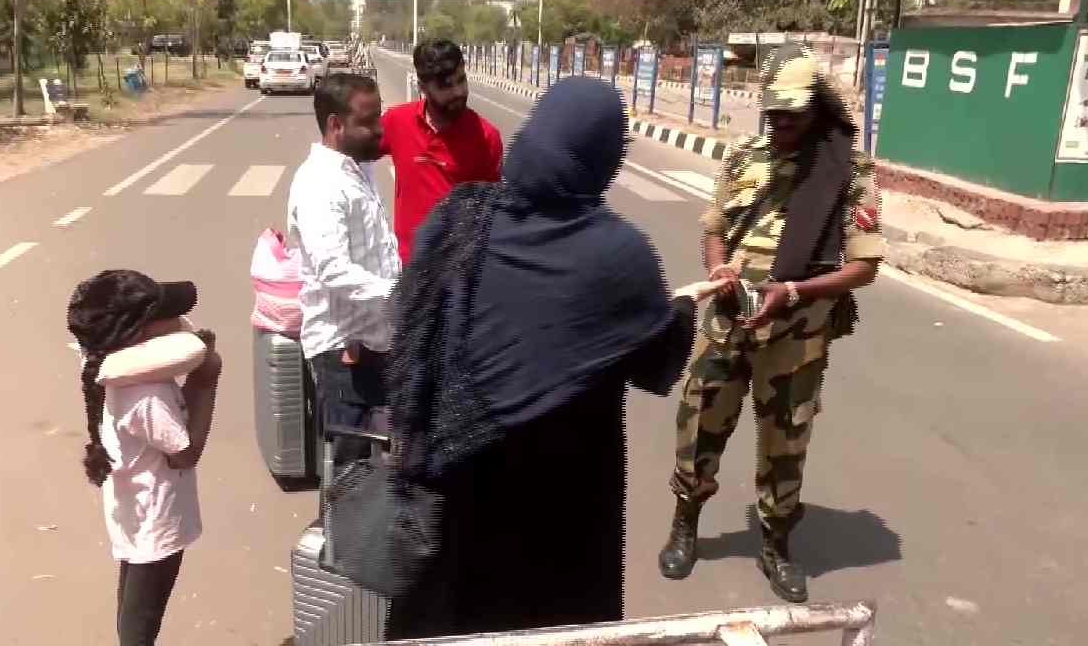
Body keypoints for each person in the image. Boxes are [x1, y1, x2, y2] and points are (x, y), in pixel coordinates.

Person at [381, 77, 724, 639]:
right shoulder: (619, 256)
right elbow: (656, 369)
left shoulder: (458, 214)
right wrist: (681, 309)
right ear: (604, 159)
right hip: (560, 501)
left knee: (447, 618)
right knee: (551, 623)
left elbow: (413, 319)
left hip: (450, 483)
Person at [657, 43, 886, 603]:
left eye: (793, 114)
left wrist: (795, 292)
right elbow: (715, 228)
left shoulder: (846, 170)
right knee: (698, 424)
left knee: (786, 444)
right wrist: (719, 270)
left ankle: (777, 544)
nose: (781, 123)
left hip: (796, 337)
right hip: (728, 323)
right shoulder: (743, 156)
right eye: (774, 112)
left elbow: (864, 267)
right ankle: (685, 524)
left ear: (816, 109)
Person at [66, 270, 223, 646]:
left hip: (132, 512)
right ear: (140, 333)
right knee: (140, 626)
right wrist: (207, 378)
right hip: (156, 521)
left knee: (131, 613)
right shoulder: (145, 395)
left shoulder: (104, 369)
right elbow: (185, 453)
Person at [287, 73, 400, 479]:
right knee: (351, 470)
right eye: (368, 121)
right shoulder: (320, 184)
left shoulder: (357, 170)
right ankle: (339, 519)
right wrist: (401, 291)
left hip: (375, 342)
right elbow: (332, 269)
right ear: (336, 125)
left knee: (381, 460)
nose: (379, 129)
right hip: (343, 351)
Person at [379, 38, 504, 263]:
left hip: (459, 269)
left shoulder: (487, 137)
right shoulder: (396, 121)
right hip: (407, 265)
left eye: (461, 80)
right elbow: (352, 156)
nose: (458, 91)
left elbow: (490, 212)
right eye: (446, 85)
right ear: (423, 87)